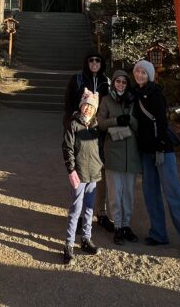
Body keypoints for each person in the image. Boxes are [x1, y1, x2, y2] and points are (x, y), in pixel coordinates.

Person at [133, 59, 180, 261]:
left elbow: (161, 122)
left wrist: (159, 146)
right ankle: (158, 233)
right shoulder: (135, 93)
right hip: (146, 151)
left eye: (143, 72)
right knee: (150, 192)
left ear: (150, 75)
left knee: (173, 193)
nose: (139, 75)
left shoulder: (155, 93)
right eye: (137, 72)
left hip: (162, 150)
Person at [63, 51, 114, 232]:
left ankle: (100, 212)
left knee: (100, 173)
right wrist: (72, 122)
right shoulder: (77, 79)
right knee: (80, 172)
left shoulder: (106, 82)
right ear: (86, 62)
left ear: (102, 63)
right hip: (79, 129)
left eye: (98, 60)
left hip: (98, 131)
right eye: (91, 60)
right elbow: (68, 103)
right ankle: (78, 216)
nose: (94, 63)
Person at [96, 69, 142, 244]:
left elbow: (140, 126)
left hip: (131, 151)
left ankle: (126, 225)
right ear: (113, 83)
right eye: (117, 82)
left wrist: (130, 120)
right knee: (115, 192)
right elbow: (100, 124)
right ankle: (117, 226)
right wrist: (116, 121)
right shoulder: (107, 100)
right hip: (113, 150)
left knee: (129, 192)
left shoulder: (133, 101)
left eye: (124, 82)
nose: (121, 85)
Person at [61, 88, 103, 264]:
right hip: (79, 172)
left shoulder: (95, 126)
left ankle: (86, 238)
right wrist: (71, 170)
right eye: (86, 105)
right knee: (75, 209)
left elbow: (98, 148)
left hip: (94, 172)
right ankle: (69, 244)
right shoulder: (73, 124)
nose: (88, 109)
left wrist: (101, 164)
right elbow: (67, 148)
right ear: (81, 106)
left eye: (91, 107)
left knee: (89, 208)